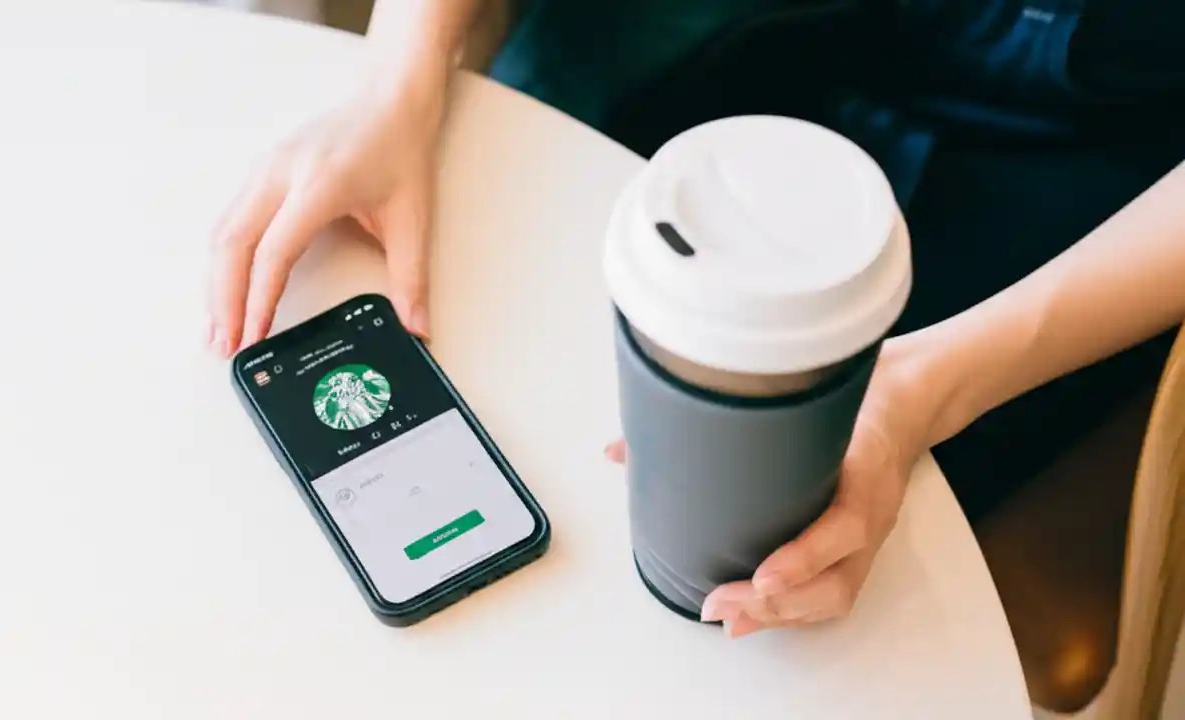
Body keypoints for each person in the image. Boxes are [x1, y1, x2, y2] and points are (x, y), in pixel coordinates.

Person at [206, 0, 1185, 637]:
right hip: (729, 30)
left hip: (1091, 176)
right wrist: (401, 81)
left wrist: (925, 389)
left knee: (789, 572)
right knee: (498, 334)